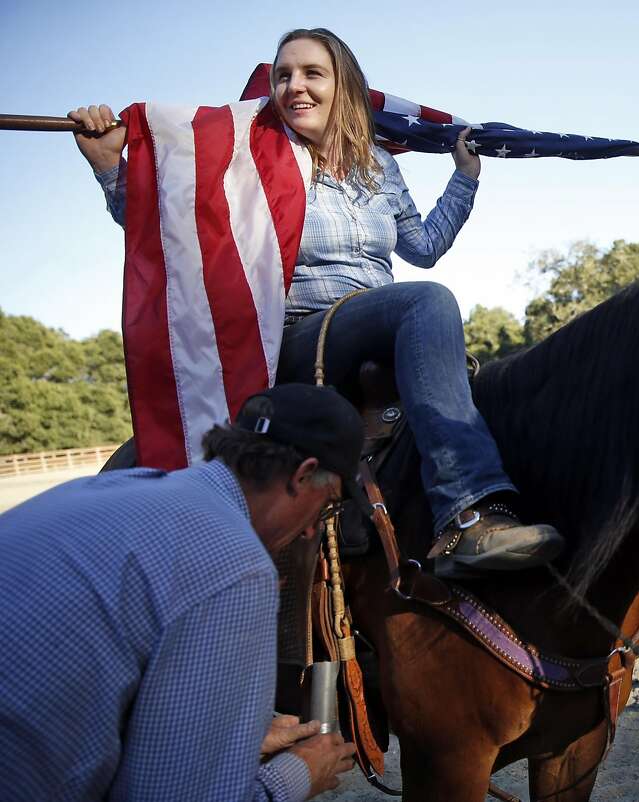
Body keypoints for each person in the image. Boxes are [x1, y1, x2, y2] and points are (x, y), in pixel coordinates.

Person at [67, 27, 562, 579]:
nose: (294, 86)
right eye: (283, 75)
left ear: (343, 86)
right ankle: (469, 515)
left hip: (382, 319)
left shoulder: (378, 164)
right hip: (301, 330)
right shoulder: (250, 160)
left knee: (452, 331)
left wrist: (464, 179)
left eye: (311, 73)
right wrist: (111, 168)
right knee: (428, 303)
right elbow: (173, 224)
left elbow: (423, 249)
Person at [0, 384, 367, 800]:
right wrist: (300, 773)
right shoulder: (236, 562)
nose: (309, 529)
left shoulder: (106, 490)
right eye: (328, 504)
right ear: (303, 475)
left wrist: (222, 739)